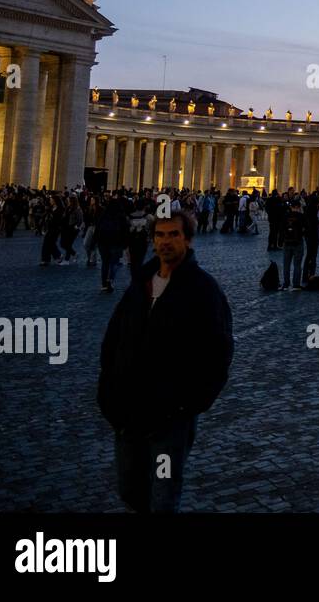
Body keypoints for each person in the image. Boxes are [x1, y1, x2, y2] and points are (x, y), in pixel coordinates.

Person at [97, 212, 233, 512]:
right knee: (130, 489)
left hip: (171, 417)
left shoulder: (203, 289)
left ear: (187, 239)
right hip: (128, 410)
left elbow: (219, 352)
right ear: (152, 240)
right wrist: (107, 390)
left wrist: (189, 404)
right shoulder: (140, 285)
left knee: (163, 494)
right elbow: (113, 337)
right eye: (160, 235)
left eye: (173, 234)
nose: (165, 241)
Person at [95, 197, 129, 293]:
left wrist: (95, 240)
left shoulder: (104, 214)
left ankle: (103, 284)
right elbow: (125, 231)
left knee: (105, 263)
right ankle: (110, 280)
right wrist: (125, 244)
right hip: (116, 243)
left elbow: (97, 228)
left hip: (103, 242)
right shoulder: (121, 216)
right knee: (114, 263)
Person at [281, 198, 306, 290]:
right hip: (298, 242)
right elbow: (306, 228)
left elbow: (282, 228)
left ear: (291, 207)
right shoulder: (301, 216)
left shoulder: (285, 216)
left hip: (287, 242)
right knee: (297, 264)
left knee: (286, 264)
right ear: (298, 207)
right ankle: (296, 284)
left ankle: (286, 284)